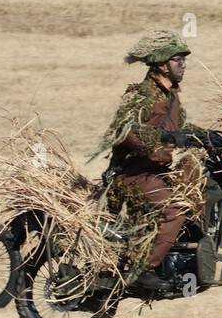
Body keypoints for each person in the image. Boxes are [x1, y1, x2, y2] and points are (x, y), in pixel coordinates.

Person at [90, 31, 211, 291]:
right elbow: (123, 131)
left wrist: (212, 137)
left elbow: (182, 128)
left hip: (156, 173)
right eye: (178, 60)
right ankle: (142, 271)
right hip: (132, 174)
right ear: (161, 64)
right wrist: (162, 137)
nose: (184, 65)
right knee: (173, 210)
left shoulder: (171, 97)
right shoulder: (142, 95)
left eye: (184, 60)